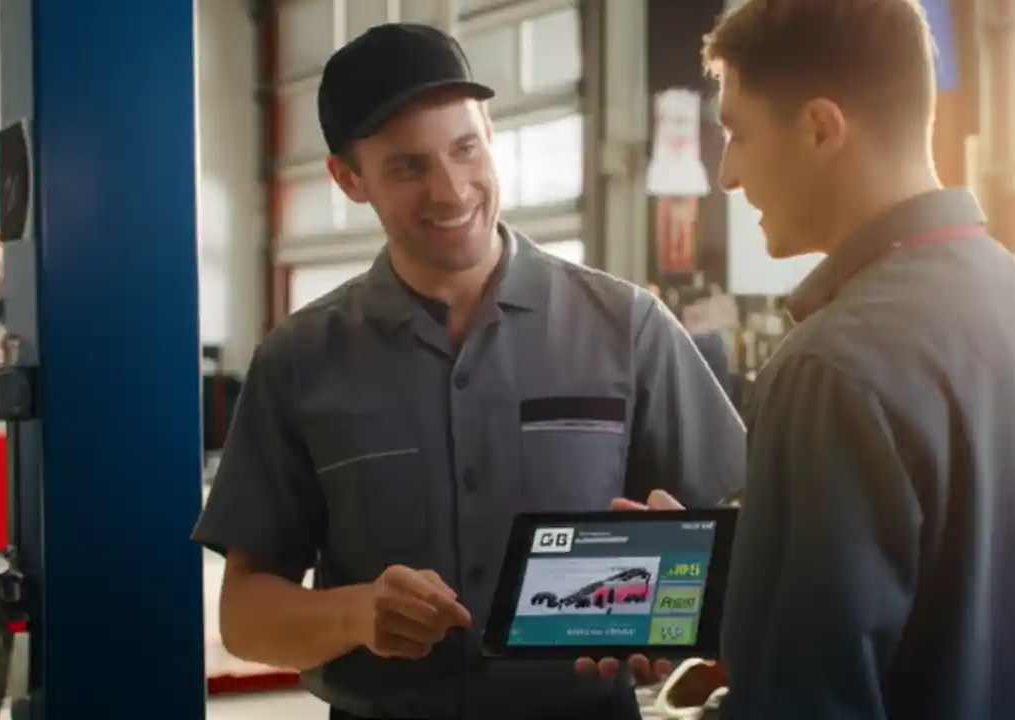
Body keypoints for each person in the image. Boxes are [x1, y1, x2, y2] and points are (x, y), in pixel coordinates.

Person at [582, 0, 1015, 718]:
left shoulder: (830, 368)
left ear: (820, 128)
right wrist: (750, 573)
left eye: (738, 134)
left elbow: (801, 698)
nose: (728, 175)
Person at [191, 23, 746, 720]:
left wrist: (674, 608)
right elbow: (244, 614)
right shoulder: (301, 360)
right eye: (407, 165)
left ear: (492, 135)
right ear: (348, 179)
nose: (451, 191)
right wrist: (357, 614)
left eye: (466, 148)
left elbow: (745, 547)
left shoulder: (626, 328)